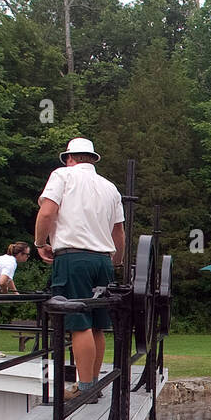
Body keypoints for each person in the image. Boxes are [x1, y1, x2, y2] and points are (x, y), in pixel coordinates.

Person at [34, 138, 124, 400]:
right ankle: (93, 383)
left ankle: (84, 389)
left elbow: (47, 212)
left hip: (73, 258)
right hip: (102, 261)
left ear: (69, 158)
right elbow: (118, 231)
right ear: (93, 159)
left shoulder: (62, 175)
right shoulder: (110, 187)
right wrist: (115, 262)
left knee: (78, 322)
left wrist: (40, 243)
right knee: (96, 324)